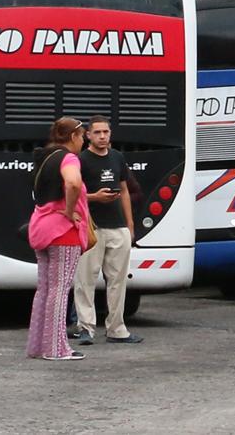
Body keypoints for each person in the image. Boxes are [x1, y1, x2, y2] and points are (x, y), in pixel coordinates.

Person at [71, 116, 143, 345]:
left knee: (118, 280)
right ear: (88, 136)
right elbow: (73, 192)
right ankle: (85, 328)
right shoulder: (80, 160)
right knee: (85, 279)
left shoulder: (117, 157)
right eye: (98, 132)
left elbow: (124, 189)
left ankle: (117, 328)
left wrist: (130, 225)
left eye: (106, 132)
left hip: (118, 227)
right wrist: (95, 197)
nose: (102, 136)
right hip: (91, 227)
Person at [26, 117, 89, 361]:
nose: (83, 140)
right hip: (63, 231)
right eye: (82, 136)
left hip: (41, 227)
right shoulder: (68, 158)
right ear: (73, 136)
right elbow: (73, 183)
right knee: (61, 290)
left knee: (44, 289)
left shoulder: (45, 158)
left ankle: (38, 346)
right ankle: (56, 348)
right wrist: (71, 210)